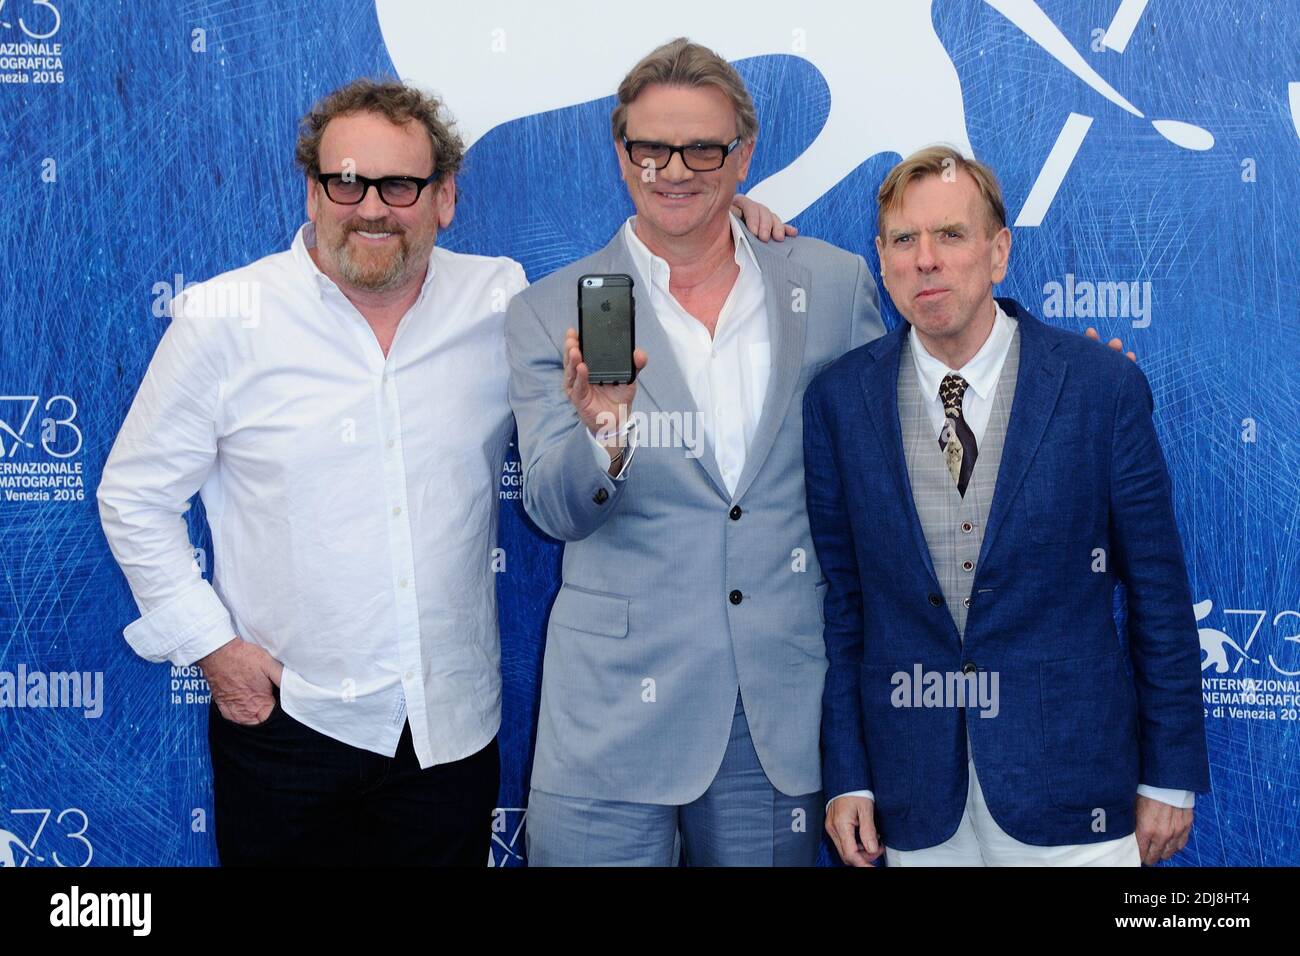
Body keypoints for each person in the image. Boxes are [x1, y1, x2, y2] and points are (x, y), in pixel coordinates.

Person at [97, 79, 525, 865]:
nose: (370, 208)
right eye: (346, 181)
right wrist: (213, 650)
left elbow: (628, 311)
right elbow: (134, 495)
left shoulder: (501, 300)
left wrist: (731, 226)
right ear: (313, 190)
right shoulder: (226, 318)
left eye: (399, 185)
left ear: (445, 198)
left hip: (450, 731)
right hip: (288, 727)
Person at [506, 37, 885, 866]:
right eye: (651, 147)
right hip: (608, 722)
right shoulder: (548, 312)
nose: (673, 169)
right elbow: (550, 507)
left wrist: (1055, 381)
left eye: (703, 148)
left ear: (743, 155)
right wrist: (605, 435)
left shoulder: (828, 285)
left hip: (774, 717)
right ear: (621, 153)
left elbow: (884, 460)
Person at [806, 146, 1209, 867]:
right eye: (905, 240)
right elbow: (846, 607)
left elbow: (1159, 592)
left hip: (1075, 796)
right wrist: (848, 775)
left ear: (998, 253)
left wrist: (1170, 774)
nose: (925, 259)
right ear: (882, 259)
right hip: (914, 801)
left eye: (951, 235)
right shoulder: (839, 401)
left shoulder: (1098, 386)